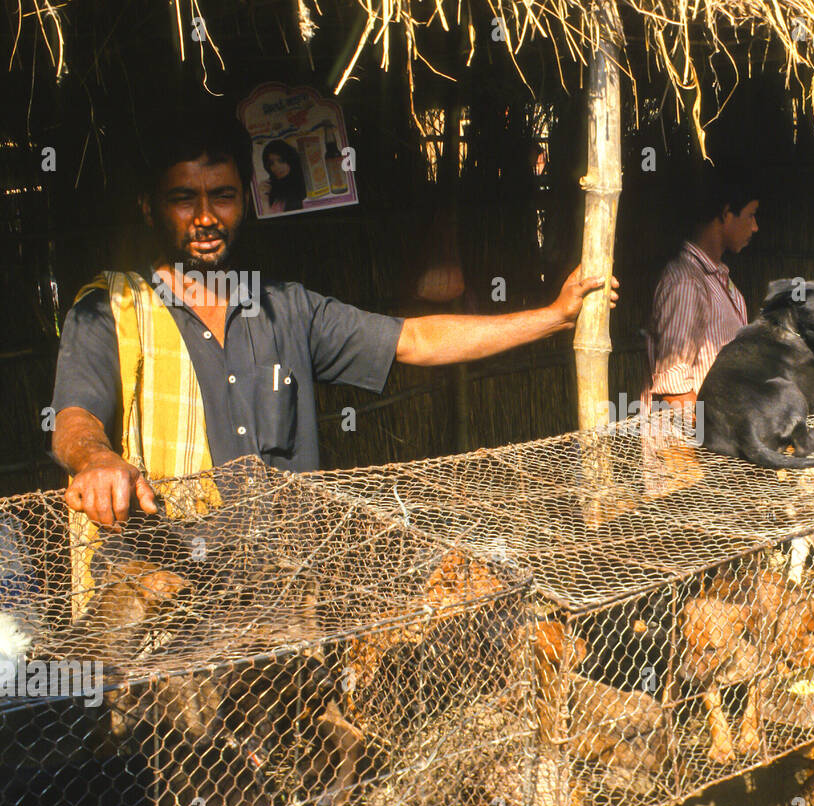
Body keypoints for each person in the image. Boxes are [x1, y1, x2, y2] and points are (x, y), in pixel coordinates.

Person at [51, 107, 616, 530]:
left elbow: (416, 339)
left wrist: (551, 316)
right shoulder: (111, 310)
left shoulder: (286, 308)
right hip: (168, 596)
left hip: (287, 597)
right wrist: (98, 459)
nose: (204, 216)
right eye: (183, 198)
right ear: (150, 207)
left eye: (221, 195)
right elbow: (73, 420)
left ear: (245, 201)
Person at [642, 167, 759, 419]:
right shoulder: (686, 282)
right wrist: (707, 442)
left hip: (713, 446)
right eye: (750, 216)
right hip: (686, 450)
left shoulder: (716, 278)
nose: (755, 227)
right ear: (727, 214)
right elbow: (674, 390)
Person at [259, 139, 306, 213]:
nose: (276, 166)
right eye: (271, 163)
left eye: (281, 161)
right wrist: (264, 200)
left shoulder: (304, 185)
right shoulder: (272, 191)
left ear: (290, 160)